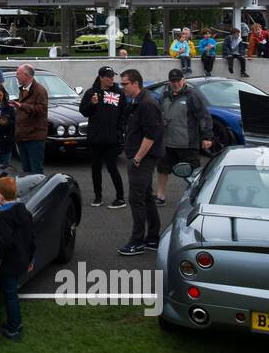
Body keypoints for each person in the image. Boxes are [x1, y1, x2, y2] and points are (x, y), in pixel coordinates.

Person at [118, 69, 164, 255]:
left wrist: (137, 157)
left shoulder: (147, 104)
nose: (123, 88)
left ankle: (137, 241)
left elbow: (151, 135)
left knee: (136, 198)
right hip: (138, 157)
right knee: (145, 197)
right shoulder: (137, 102)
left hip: (142, 159)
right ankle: (153, 237)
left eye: (125, 84)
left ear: (136, 83)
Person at [154, 70, 213, 205]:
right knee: (162, 170)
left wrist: (207, 137)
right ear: (169, 81)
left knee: (193, 174)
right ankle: (160, 196)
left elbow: (204, 116)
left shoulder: (192, 95)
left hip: (187, 143)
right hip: (167, 142)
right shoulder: (164, 96)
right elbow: (159, 115)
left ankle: (196, 199)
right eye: (173, 81)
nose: (176, 84)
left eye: (178, 80)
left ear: (183, 80)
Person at [80, 65, 128, 208]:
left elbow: (123, 114)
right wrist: (92, 104)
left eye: (113, 76)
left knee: (112, 168)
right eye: (108, 77)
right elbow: (83, 111)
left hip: (112, 139)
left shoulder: (119, 94)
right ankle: (97, 196)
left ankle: (120, 198)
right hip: (95, 139)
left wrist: (119, 132)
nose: (111, 79)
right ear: (101, 77)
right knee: (95, 169)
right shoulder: (91, 93)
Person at [0, 175, 34, 341]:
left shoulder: (3, 216)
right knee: (13, 291)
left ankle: (14, 327)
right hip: (24, 257)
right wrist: (31, 259)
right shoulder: (25, 212)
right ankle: (14, 324)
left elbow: (5, 241)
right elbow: (32, 237)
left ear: (0, 197)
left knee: (10, 294)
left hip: (10, 261)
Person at [11, 63, 48, 174]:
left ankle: (39, 191)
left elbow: (41, 110)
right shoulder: (23, 89)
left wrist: (22, 106)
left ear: (26, 75)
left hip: (34, 137)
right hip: (23, 136)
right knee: (26, 170)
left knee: (36, 170)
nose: (16, 76)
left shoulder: (40, 91)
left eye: (18, 74)